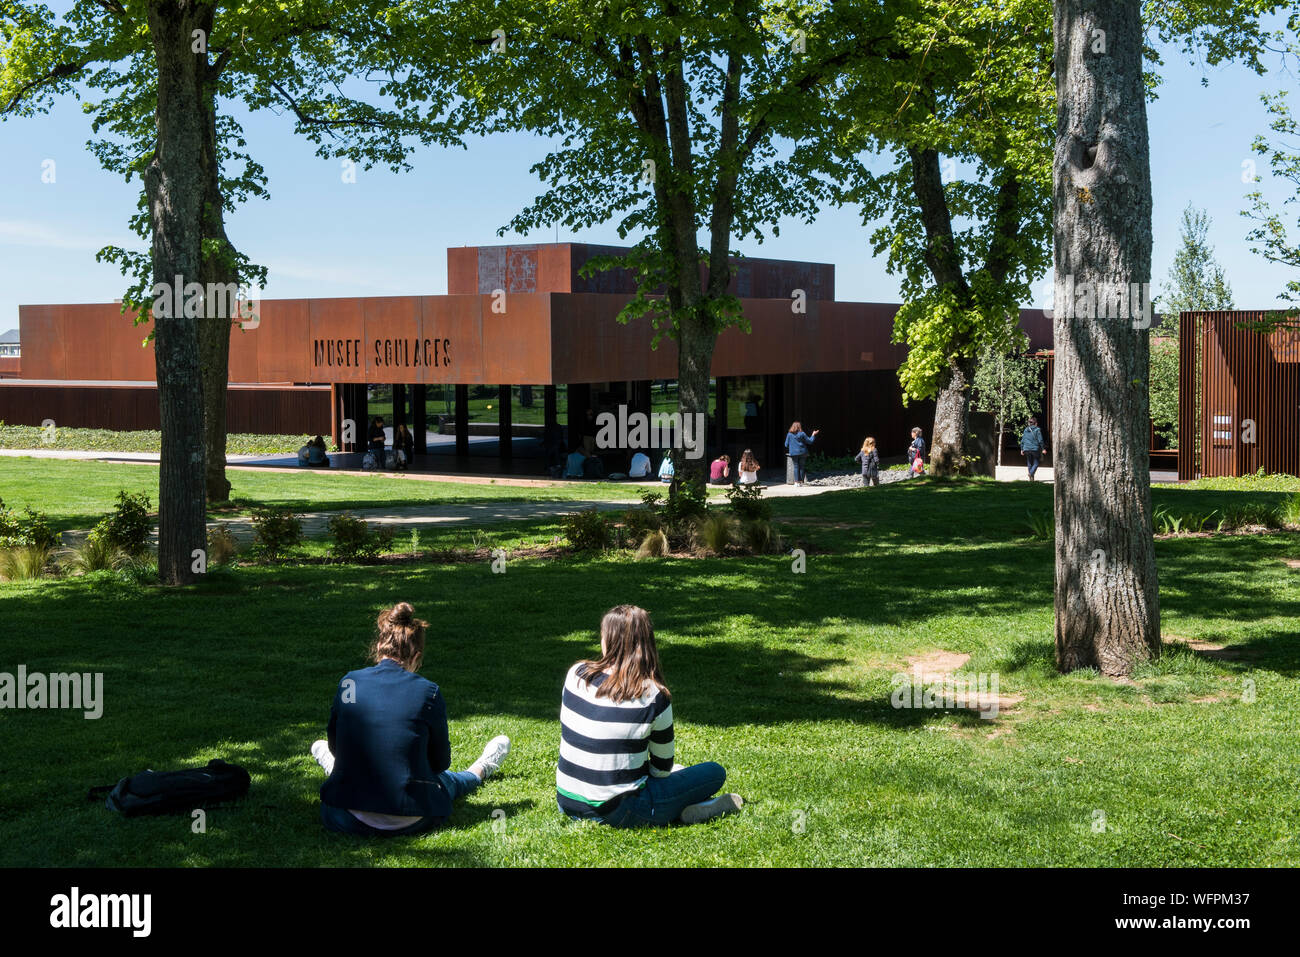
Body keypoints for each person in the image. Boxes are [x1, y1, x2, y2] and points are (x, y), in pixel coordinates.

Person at [311, 603, 511, 836]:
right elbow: (439, 764)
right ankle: (481, 768)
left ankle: (332, 766)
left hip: (346, 816)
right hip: (414, 816)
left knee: (344, 764)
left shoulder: (350, 683)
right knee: (450, 782)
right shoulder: (428, 692)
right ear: (416, 656)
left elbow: (337, 746)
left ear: (378, 646)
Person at [556, 605, 742, 828]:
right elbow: (662, 769)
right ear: (646, 643)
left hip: (567, 802)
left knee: (673, 777)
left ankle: (689, 807)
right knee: (714, 773)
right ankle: (689, 807)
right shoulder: (653, 695)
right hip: (619, 812)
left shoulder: (576, 674)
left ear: (608, 639)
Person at [784, 421, 820, 486]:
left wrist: (792, 446)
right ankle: (801, 482)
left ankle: (796, 482)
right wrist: (813, 435)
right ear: (799, 427)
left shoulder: (789, 434)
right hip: (803, 452)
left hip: (793, 453)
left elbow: (786, 445)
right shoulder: (802, 433)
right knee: (802, 467)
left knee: (796, 467)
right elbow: (810, 441)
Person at [1021, 416, 1046, 481]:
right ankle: (1031, 473)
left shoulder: (1025, 430)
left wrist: (1022, 449)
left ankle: (1031, 479)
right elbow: (1040, 440)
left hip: (1026, 448)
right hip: (1034, 449)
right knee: (1036, 463)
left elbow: (1023, 440)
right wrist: (1043, 448)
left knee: (1029, 463)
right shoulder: (1037, 430)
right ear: (1036, 423)